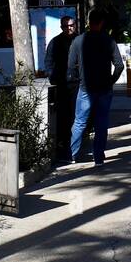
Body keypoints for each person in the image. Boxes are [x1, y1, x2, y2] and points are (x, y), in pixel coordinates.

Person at [67, 8, 124, 165]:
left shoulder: (78, 41)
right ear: (102, 23)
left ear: (89, 22)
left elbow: (70, 67)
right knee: (101, 123)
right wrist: (111, 80)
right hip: (104, 89)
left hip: (86, 88)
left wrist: (80, 78)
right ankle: (98, 157)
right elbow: (119, 65)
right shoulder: (109, 40)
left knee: (79, 122)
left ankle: (73, 155)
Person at [43, 16, 77, 161]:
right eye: (65, 26)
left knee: (77, 117)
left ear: (75, 25)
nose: (68, 28)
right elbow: (49, 63)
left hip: (77, 84)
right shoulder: (55, 42)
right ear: (61, 27)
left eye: (70, 25)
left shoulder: (80, 40)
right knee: (63, 117)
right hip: (62, 85)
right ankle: (63, 148)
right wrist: (53, 78)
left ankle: (75, 147)